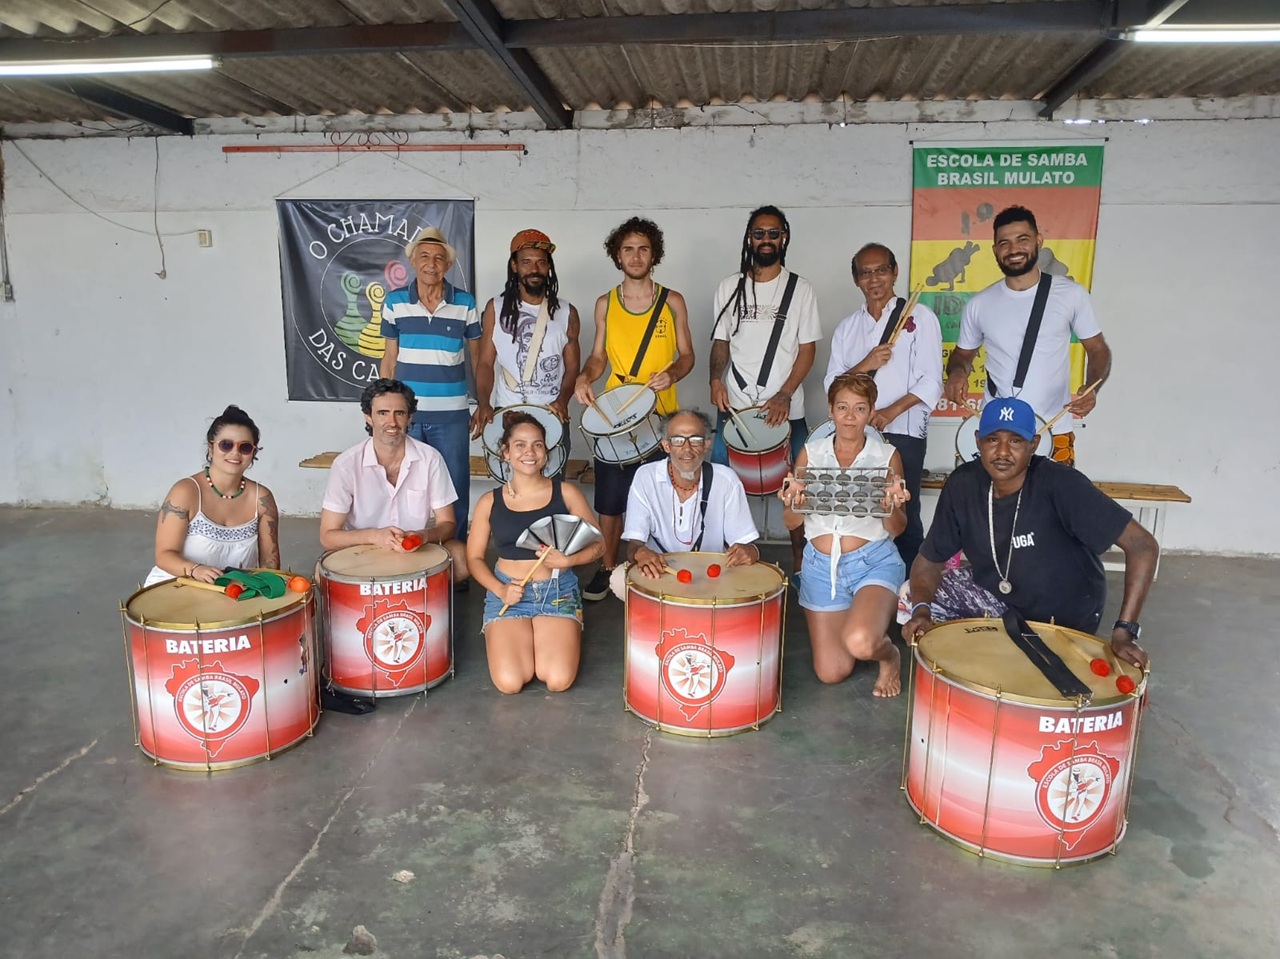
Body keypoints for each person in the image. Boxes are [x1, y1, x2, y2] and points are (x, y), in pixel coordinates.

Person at [901, 397, 1157, 669]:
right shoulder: (963, 484)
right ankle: (985, 661)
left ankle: (1006, 654)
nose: (1002, 452)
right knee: (910, 598)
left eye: (1015, 441)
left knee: (1029, 667)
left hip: (1062, 615)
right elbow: (928, 561)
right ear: (978, 441)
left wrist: (1124, 631)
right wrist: (921, 612)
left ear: (1033, 445)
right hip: (1000, 598)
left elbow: (1142, 545)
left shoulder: (1062, 484)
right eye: (992, 439)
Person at [575, 217, 695, 602]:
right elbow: (598, 357)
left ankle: (658, 566)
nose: (636, 256)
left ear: (654, 254)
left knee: (662, 497)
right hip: (617, 414)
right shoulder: (606, 303)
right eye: (628, 249)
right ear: (618, 255)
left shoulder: (672, 301)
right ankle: (608, 566)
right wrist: (584, 377)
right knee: (611, 501)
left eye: (643, 248)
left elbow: (687, 355)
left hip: (660, 415)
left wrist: (672, 374)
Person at [944, 205, 1111, 467]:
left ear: (1038, 241)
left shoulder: (1070, 294)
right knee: (991, 496)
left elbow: (1098, 350)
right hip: (997, 430)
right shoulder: (980, 304)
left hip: (1052, 428)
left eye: (1022, 239)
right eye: (1004, 243)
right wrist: (956, 373)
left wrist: (1092, 388)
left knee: (1056, 495)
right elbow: (962, 355)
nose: (1014, 249)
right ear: (995, 250)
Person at [780, 373, 911, 697]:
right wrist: (795, 502)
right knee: (831, 672)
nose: (850, 416)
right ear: (831, 410)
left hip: (873, 562)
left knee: (861, 642)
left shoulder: (886, 456)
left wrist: (889, 508)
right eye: (842, 407)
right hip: (820, 568)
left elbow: (898, 528)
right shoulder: (812, 453)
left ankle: (889, 655)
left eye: (860, 408)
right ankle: (860, 621)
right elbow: (791, 521)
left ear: (871, 412)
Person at [709, 205, 821, 577]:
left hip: (786, 408)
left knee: (799, 485)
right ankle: (724, 558)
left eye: (774, 233)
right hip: (736, 407)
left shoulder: (800, 289)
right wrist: (715, 380)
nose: (767, 240)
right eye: (759, 233)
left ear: (784, 237)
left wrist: (785, 393)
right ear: (749, 239)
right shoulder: (729, 287)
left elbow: (807, 349)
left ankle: (801, 562)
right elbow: (721, 342)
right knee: (720, 483)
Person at [824, 243, 943, 570]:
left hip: (904, 432)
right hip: (855, 434)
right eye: (866, 273)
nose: (874, 279)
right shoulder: (848, 327)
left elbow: (932, 380)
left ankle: (908, 589)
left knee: (902, 509)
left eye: (881, 270)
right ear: (856, 279)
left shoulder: (921, 318)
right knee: (856, 507)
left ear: (895, 273)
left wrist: (889, 412)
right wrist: (866, 363)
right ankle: (863, 579)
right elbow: (832, 385)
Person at [467, 411, 603, 694]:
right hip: (508, 594)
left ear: (546, 452)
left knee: (557, 679)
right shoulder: (489, 502)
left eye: (537, 444)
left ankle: (562, 627)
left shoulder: (566, 493)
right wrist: (500, 590)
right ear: (505, 452)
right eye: (520, 445)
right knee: (510, 682)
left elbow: (599, 545)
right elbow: (474, 559)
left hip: (557, 592)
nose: (529, 452)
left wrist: (569, 560)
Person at [379, 226, 480, 543]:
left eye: (438, 258)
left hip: (452, 416)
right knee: (404, 486)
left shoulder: (464, 302)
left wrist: (482, 403)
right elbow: (389, 358)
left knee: (454, 487)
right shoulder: (395, 302)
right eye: (424, 256)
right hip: (407, 416)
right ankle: (408, 549)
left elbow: (477, 358)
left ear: (448, 265)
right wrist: (384, 409)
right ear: (412, 261)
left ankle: (455, 553)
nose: (431, 264)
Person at [319, 379, 469, 579]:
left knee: (461, 557)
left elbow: (448, 523)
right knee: (320, 573)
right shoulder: (346, 464)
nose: (392, 422)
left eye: (399, 413)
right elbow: (328, 536)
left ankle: (426, 596)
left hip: (414, 550)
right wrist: (375, 536)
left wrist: (423, 535)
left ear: (409, 417)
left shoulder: (430, 458)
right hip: (362, 551)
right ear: (368, 417)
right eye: (383, 413)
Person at [609, 409, 761, 599]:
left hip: (711, 575)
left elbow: (746, 545)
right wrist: (640, 553)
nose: (687, 448)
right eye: (678, 440)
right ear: (666, 445)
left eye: (695, 440)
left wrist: (751, 551)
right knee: (619, 579)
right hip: (662, 572)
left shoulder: (726, 479)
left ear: (706, 444)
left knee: (749, 579)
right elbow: (634, 544)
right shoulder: (646, 476)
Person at [472, 229, 581, 478]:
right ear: (514, 266)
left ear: (549, 267)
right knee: (511, 488)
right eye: (527, 262)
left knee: (553, 486)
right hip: (508, 412)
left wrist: (563, 400)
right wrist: (484, 402)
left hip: (551, 412)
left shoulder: (567, 312)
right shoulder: (496, 308)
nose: (534, 269)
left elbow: (573, 367)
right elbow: (486, 363)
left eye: (541, 262)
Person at [145, 405, 279, 587]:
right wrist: (195, 570)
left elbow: (269, 564)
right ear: (211, 448)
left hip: (233, 592)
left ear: (253, 453)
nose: (235, 452)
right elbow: (164, 555)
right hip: (176, 586)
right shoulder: (185, 492)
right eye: (226, 445)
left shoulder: (262, 499)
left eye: (245, 447)